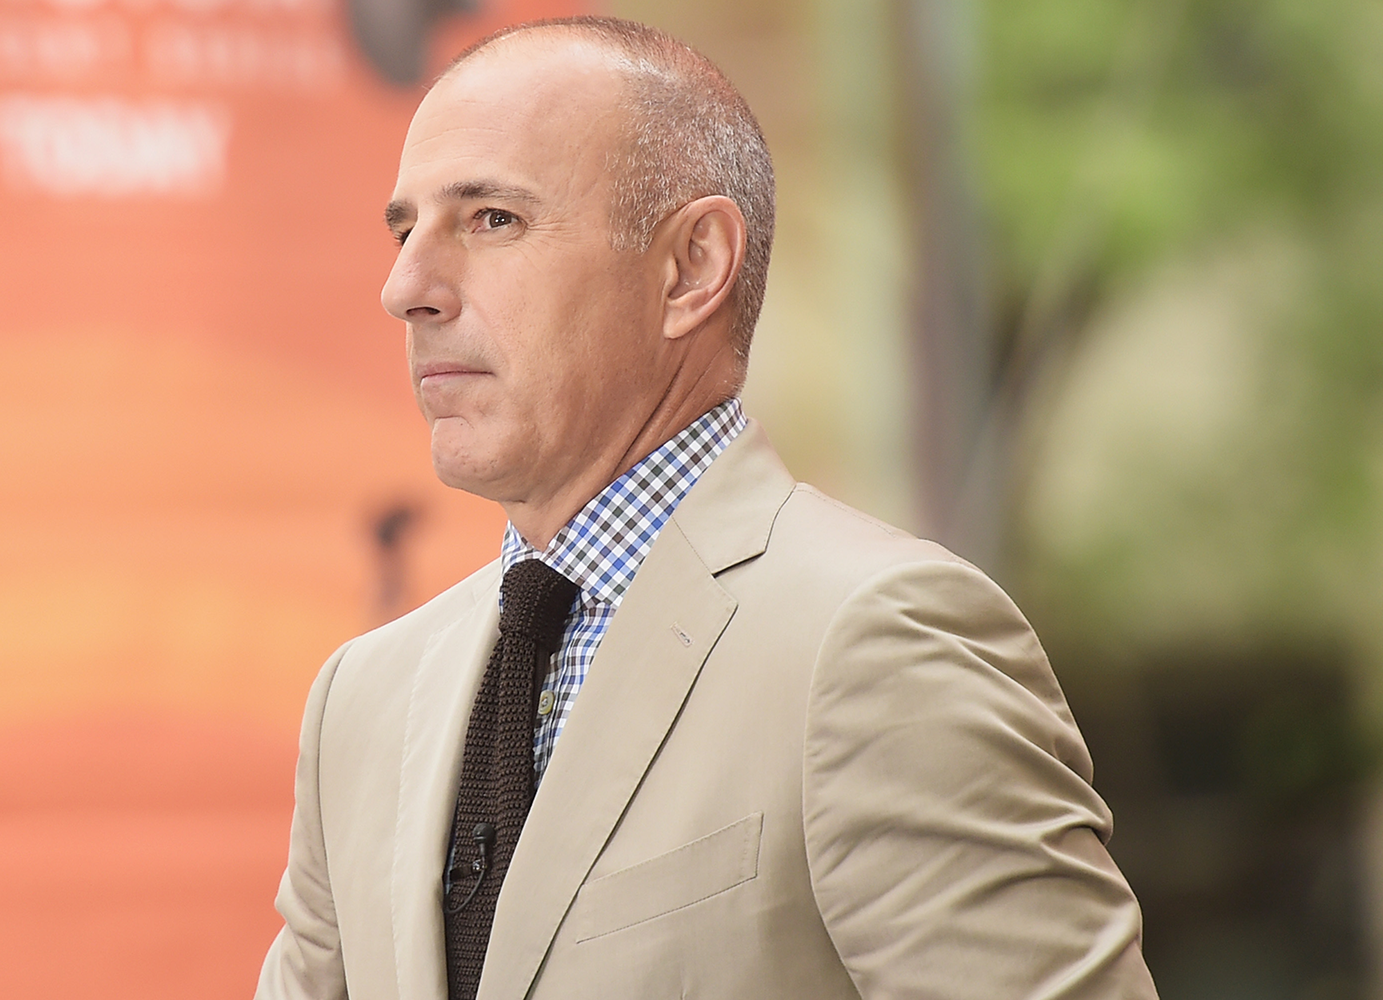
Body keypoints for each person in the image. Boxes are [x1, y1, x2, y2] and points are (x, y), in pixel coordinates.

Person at [255, 15, 1158, 1000]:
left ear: (690, 268)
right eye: (405, 230)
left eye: (492, 219)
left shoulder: (878, 642)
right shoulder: (363, 701)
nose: (406, 288)